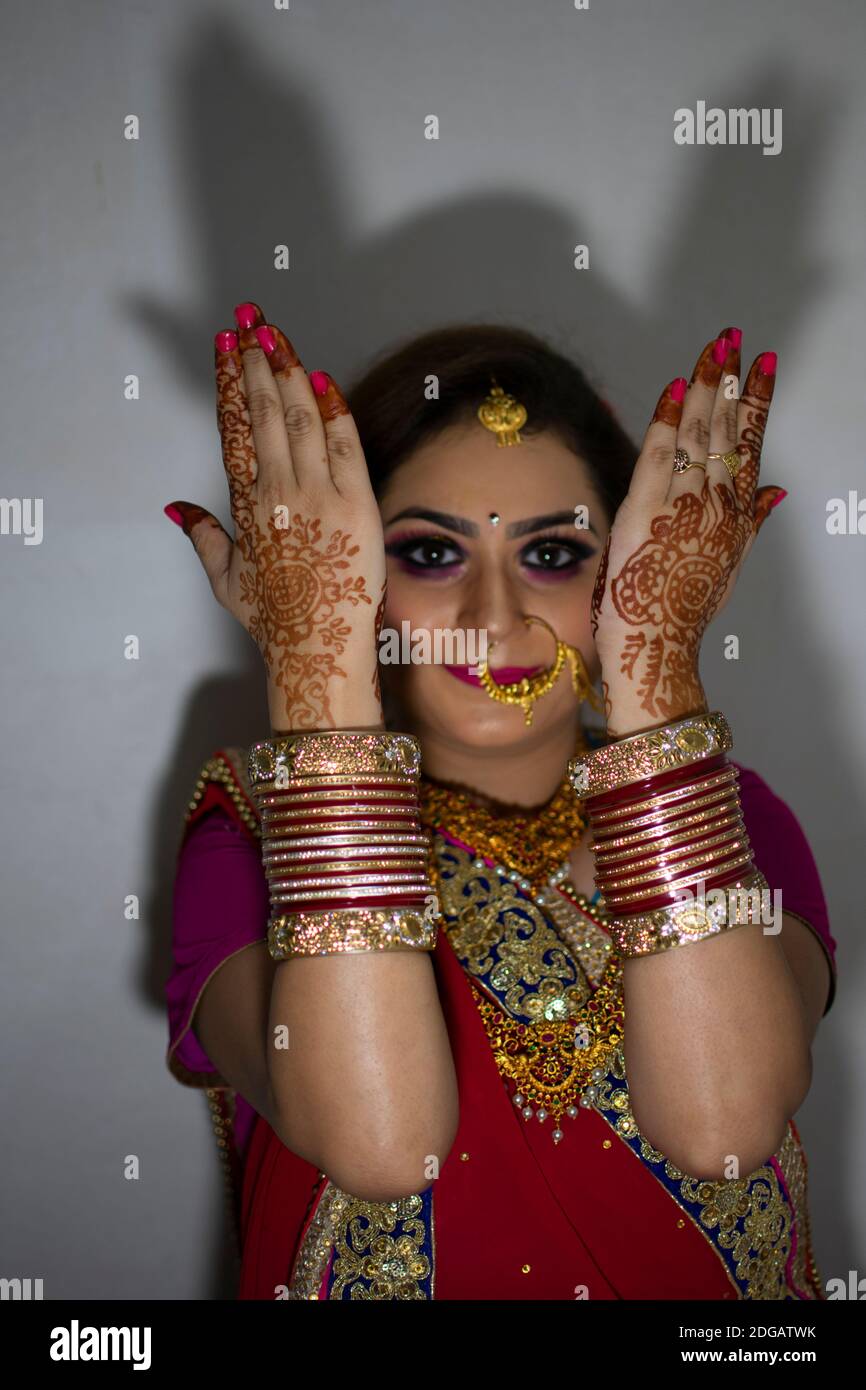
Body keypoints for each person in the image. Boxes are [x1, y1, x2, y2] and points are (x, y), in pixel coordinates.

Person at [163, 304, 837, 1300]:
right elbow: (381, 1146)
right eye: (428, 555)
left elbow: (722, 1130)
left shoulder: (737, 822)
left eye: (553, 554)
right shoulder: (246, 841)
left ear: (627, 571)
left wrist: (654, 666)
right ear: (343, 573)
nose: (492, 617)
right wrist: (313, 666)